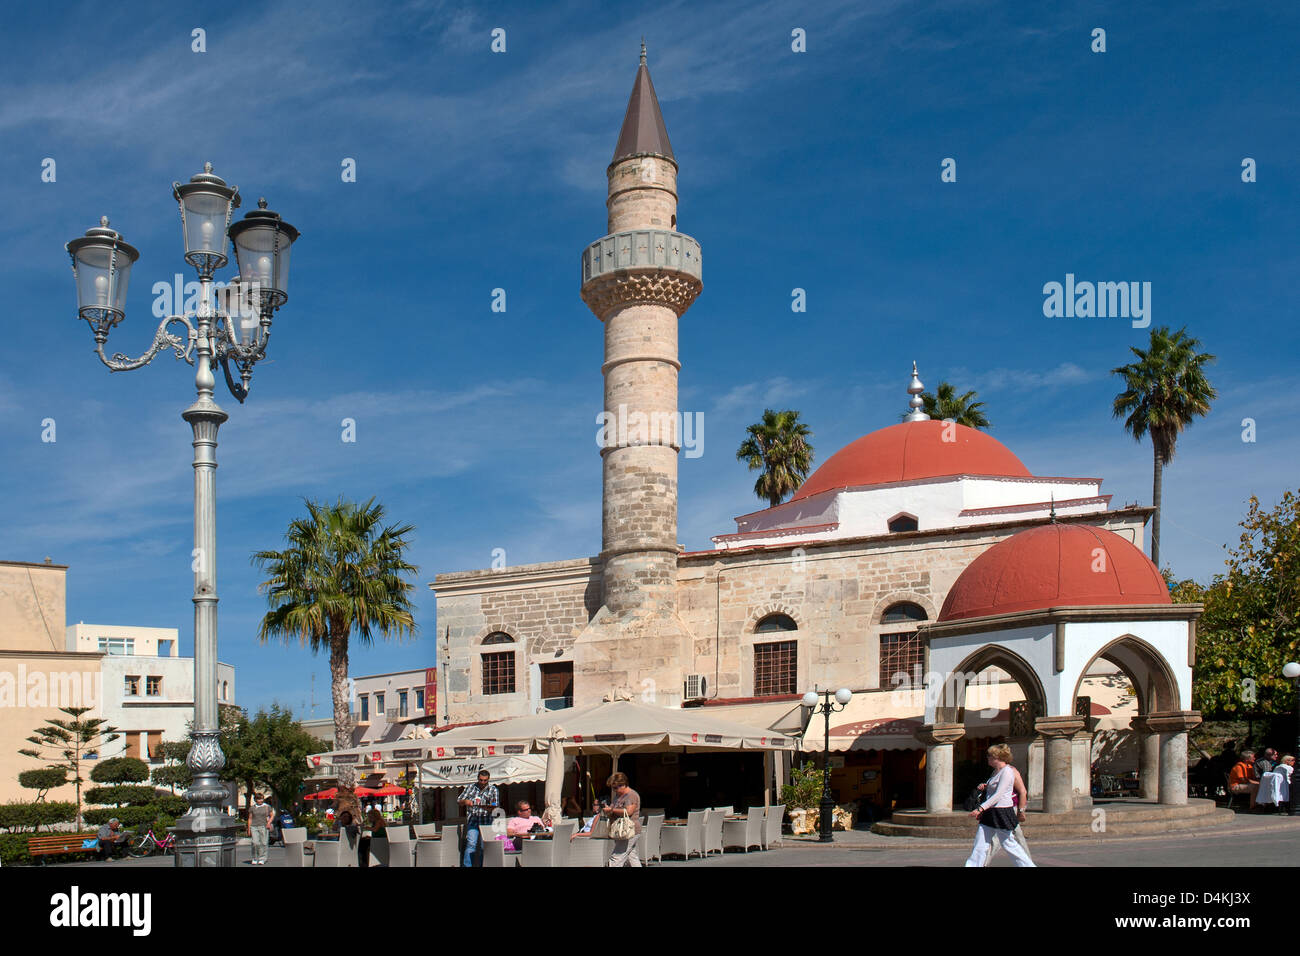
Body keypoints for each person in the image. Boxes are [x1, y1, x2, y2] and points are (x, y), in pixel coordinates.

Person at [965, 744, 1035, 867]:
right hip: (990, 813)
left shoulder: (1007, 771)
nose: (987, 758)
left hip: (1001, 812)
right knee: (980, 843)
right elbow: (992, 791)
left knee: (1009, 843)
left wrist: (980, 808)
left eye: (990, 756)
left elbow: (999, 794)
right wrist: (985, 787)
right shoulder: (996, 771)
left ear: (997, 757)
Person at [457, 770, 499, 867]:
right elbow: (459, 800)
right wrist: (465, 802)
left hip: (487, 820)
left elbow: (495, 806)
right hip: (473, 819)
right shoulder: (471, 787)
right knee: (471, 844)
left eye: (485, 781)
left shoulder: (493, 789)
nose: (483, 783)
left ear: (488, 780)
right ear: (478, 779)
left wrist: (485, 806)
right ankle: (467, 865)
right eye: (481, 780)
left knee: (485, 846)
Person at [603, 772, 642, 867]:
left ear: (623, 784)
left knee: (617, 858)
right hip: (620, 830)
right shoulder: (618, 796)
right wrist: (608, 810)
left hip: (629, 830)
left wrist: (612, 810)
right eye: (613, 788)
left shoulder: (631, 795)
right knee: (631, 858)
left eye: (616, 788)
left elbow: (629, 812)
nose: (614, 790)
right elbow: (613, 809)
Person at [247, 792, 274, 865]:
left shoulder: (267, 807)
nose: (260, 800)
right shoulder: (252, 808)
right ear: (255, 800)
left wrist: (269, 823)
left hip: (264, 826)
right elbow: (250, 818)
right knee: (255, 843)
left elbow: (272, 815)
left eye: (261, 799)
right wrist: (248, 829)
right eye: (259, 799)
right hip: (254, 826)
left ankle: (262, 858)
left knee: (264, 843)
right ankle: (255, 858)